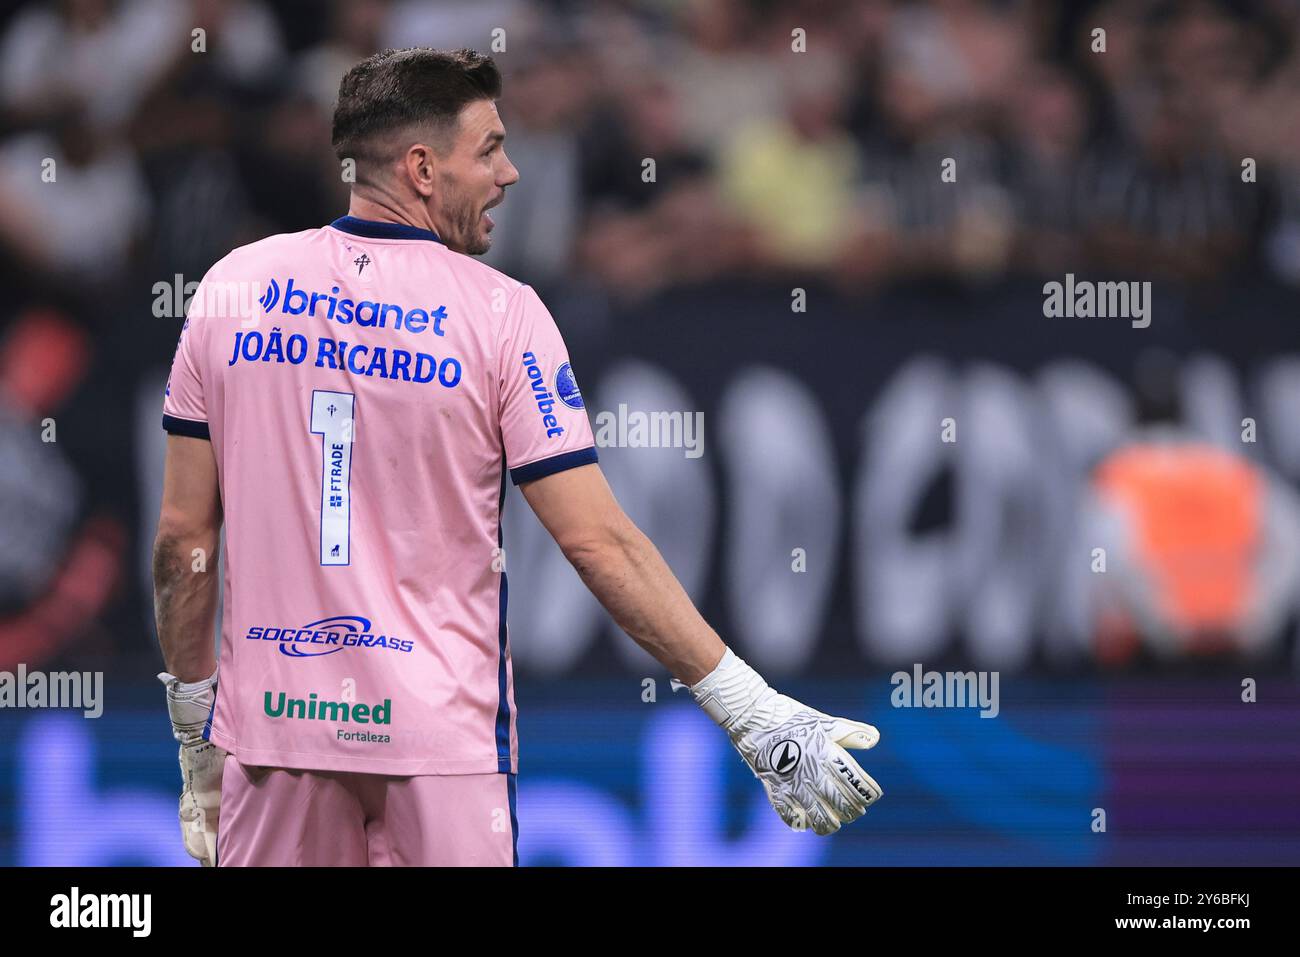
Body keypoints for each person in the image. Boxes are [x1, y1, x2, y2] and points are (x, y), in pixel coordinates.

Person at [152, 47, 882, 867]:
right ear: (423, 168)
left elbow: (184, 541)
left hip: (272, 740)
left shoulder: (230, 289)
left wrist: (194, 739)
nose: (510, 173)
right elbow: (598, 541)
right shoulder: (501, 314)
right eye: (491, 148)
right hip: (442, 750)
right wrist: (752, 711)